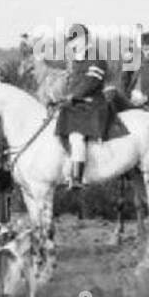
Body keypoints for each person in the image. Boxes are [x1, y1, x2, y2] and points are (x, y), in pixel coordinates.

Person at [55, 23, 110, 188]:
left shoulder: (95, 58)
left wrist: (73, 96)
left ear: (85, 39)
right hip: (75, 105)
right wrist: (61, 97)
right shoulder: (74, 61)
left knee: (76, 136)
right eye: (70, 40)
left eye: (75, 40)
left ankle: (77, 179)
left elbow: (90, 83)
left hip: (92, 105)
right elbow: (71, 83)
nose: (72, 43)